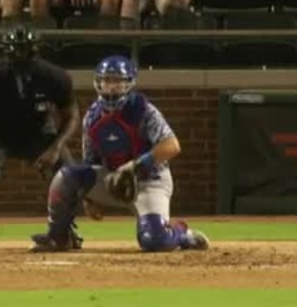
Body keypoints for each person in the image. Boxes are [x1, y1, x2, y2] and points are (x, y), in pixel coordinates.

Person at [31, 55, 211, 253]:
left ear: (129, 83)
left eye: (117, 81)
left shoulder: (144, 111)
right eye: (106, 81)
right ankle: (59, 237)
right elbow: (90, 163)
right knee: (66, 176)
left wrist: (136, 166)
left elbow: (172, 145)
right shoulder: (92, 117)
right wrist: (90, 201)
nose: (111, 87)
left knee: (154, 241)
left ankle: (182, 234)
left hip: (149, 181)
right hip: (113, 180)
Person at [0, 25, 79, 250]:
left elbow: (71, 115)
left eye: (27, 51)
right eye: (16, 51)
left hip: (39, 134)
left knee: (68, 171)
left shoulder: (54, 76)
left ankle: (64, 232)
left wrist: (55, 148)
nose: (21, 57)